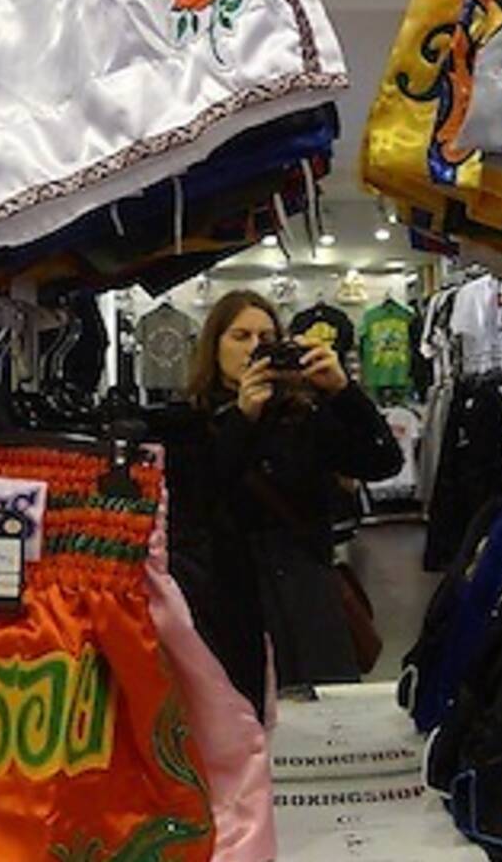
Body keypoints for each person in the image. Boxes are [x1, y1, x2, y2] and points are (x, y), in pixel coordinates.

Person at [170, 290, 403, 706]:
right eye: (240, 336)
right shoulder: (189, 422)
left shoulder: (304, 415)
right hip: (229, 606)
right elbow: (194, 502)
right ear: (214, 346)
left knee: (322, 725)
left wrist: (342, 392)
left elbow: (383, 461)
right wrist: (242, 419)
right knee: (239, 719)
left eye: (266, 337)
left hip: (306, 597)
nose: (254, 348)